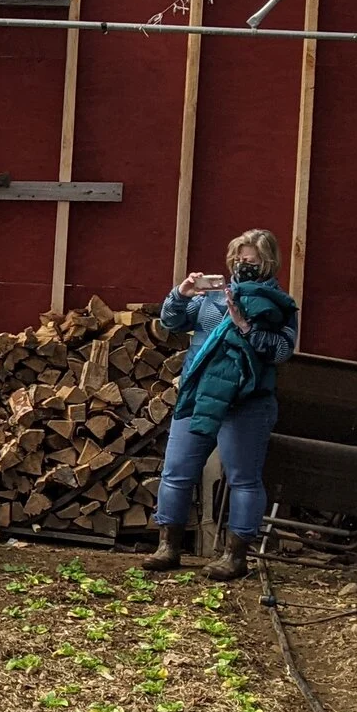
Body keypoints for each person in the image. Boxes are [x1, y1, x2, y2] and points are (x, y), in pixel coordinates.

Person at [146, 229, 300, 582]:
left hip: (247, 400)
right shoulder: (212, 297)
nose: (242, 265)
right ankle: (167, 547)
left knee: (243, 477)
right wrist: (181, 294)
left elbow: (281, 351)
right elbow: (170, 323)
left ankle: (235, 556)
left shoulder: (279, 304)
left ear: (268, 262)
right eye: (238, 258)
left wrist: (245, 326)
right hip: (199, 393)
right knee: (176, 470)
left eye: (250, 260)